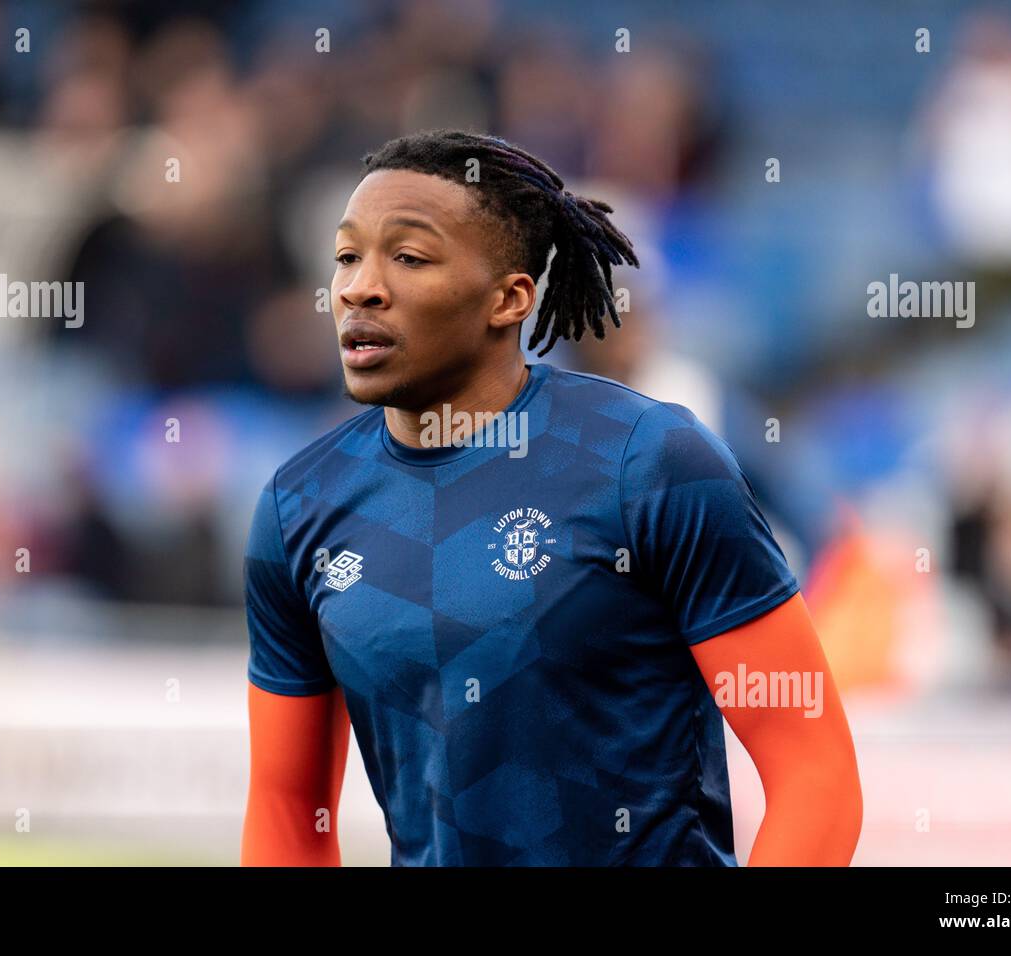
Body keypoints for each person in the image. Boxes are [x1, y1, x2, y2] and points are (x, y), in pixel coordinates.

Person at [242, 129, 861, 866]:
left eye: (407, 258)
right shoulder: (299, 506)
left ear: (510, 299)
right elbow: (287, 808)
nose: (357, 287)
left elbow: (814, 774)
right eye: (347, 256)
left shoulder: (649, 461)